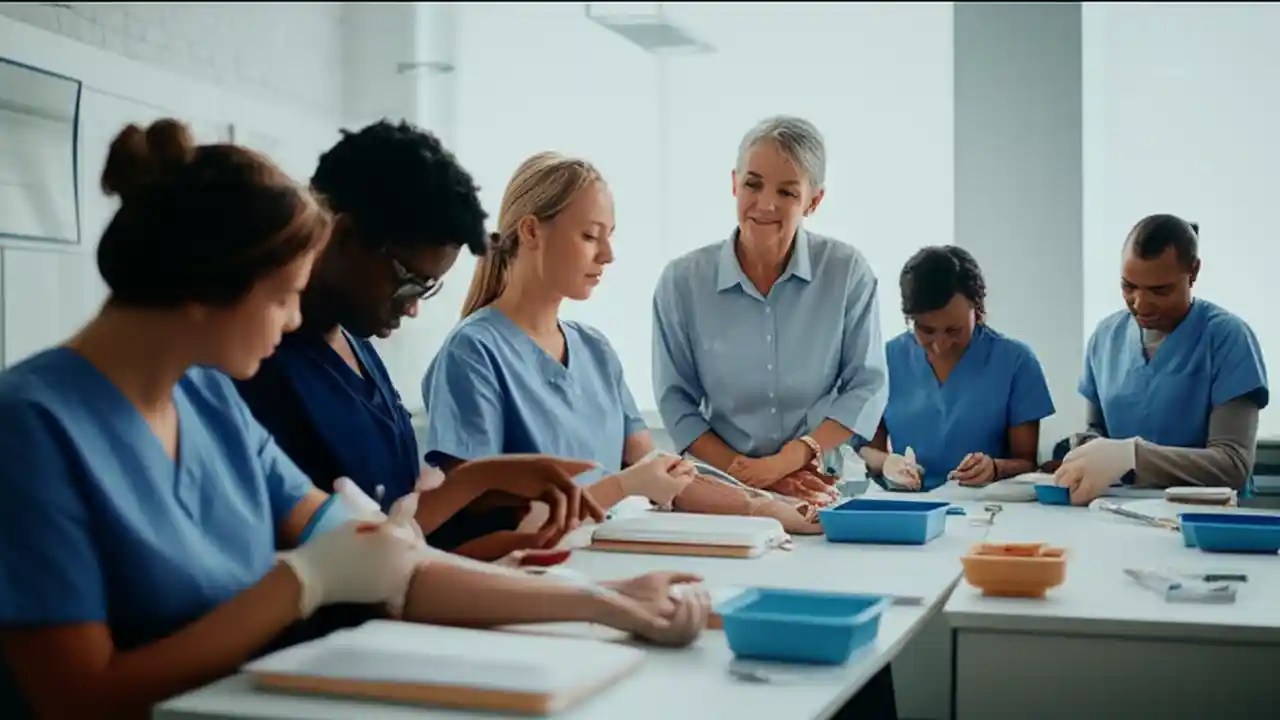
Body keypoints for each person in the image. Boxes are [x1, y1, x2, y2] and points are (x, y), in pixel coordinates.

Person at [0, 120, 708, 719]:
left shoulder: (208, 402)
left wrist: (604, 601)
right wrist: (302, 583)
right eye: (283, 296)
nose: (292, 321)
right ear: (205, 290)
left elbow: (389, 560)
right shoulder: (31, 429)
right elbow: (77, 698)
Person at [233, 120, 603, 561]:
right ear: (344, 236)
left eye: (426, 289)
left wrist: (499, 516)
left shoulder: (358, 349)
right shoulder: (257, 368)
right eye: (408, 282)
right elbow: (343, 558)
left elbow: (403, 530)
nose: (411, 308)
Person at [420, 152, 822, 547]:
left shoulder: (594, 350)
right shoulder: (473, 352)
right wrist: (624, 486)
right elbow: (481, 513)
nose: (608, 255)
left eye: (608, 237)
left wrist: (769, 507)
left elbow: (665, 476)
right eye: (590, 236)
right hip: (522, 571)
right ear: (530, 232)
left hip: (599, 561)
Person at [651, 115, 888, 496]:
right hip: (723, 489)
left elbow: (867, 386)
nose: (765, 204)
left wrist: (792, 458)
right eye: (753, 184)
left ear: (814, 201)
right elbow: (675, 400)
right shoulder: (681, 283)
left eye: (787, 192)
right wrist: (746, 474)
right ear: (734, 183)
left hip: (821, 485)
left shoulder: (847, 273)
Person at [1054, 214, 1269, 505]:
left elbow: (1233, 465)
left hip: (1200, 515)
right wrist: (1087, 447)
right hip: (1117, 510)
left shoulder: (1226, 339)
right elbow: (1096, 431)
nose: (1140, 303)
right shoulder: (1105, 338)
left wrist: (1133, 457)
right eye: (1128, 286)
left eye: (1160, 290)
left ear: (1193, 272)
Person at [857, 246, 1055, 491]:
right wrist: (887, 463)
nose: (940, 344)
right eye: (926, 330)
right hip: (908, 503)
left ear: (977, 310)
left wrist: (994, 468)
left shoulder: (1016, 362)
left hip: (985, 505)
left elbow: (1027, 463)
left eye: (954, 330)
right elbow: (864, 449)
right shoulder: (886, 360)